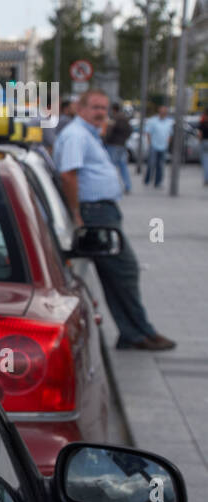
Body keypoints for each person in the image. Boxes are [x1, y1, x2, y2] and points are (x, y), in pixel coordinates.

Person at [54, 89, 174, 351]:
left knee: (115, 273)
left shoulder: (88, 134)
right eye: (95, 107)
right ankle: (139, 332)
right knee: (124, 269)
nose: (101, 113)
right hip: (94, 212)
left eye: (104, 108)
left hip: (102, 211)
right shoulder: (76, 135)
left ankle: (133, 331)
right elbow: (68, 176)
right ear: (81, 108)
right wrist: (76, 213)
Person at [143, 105, 174, 188]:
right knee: (151, 163)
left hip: (163, 146)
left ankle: (158, 182)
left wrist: (168, 142)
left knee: (160, 165)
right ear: (159, 112)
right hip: (154, 145)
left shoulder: (169, 122)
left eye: (165, 112)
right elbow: (148, 132)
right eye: (162, 112)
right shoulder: (153, 121)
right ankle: (147, 179)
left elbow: (170, 134)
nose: (163, 113)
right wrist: (150, 143)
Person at [104, 104, 132, 194]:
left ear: (113, 109)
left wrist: (105, 140)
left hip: (113, 145)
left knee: (111, 167)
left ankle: (112, 186)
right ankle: (128, 186)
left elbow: (109, 131)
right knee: (123, 167)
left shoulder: (114, 118)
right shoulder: (125, 118)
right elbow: (130, 130)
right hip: (122, 145)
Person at [199, 109, 208, 185]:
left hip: (205, 142)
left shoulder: (202, 123)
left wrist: (199, 141)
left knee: (205, 162)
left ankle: (206, 179)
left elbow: (200, 135)